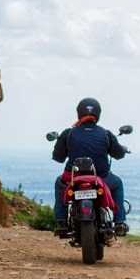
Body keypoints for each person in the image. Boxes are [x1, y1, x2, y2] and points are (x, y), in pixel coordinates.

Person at [51, 96, 128, 234]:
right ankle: (120, 222)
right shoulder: (106, 134)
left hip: (73, 179)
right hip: (101, 179)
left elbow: (58, 158)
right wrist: (122, 148)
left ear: (79, 112)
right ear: (98, 113)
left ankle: (61, 221)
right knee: (117, 183)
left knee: (59, 183)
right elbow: (119, 154)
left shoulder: (68, 133)